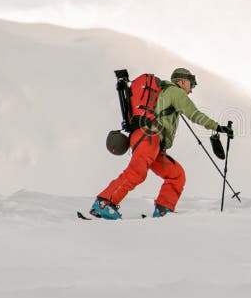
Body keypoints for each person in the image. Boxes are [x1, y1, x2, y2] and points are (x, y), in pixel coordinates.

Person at [90, 67, 233, 219]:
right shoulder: (176, 92)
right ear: (183, 82)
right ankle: (104, 203)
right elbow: (195, 115)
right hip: (148, 137)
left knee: (176, 174)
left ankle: (163, 210)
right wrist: (218, 127)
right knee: (136, 172)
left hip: (150, 141)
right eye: (192, 85)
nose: (191, 90)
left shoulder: (165, 93)